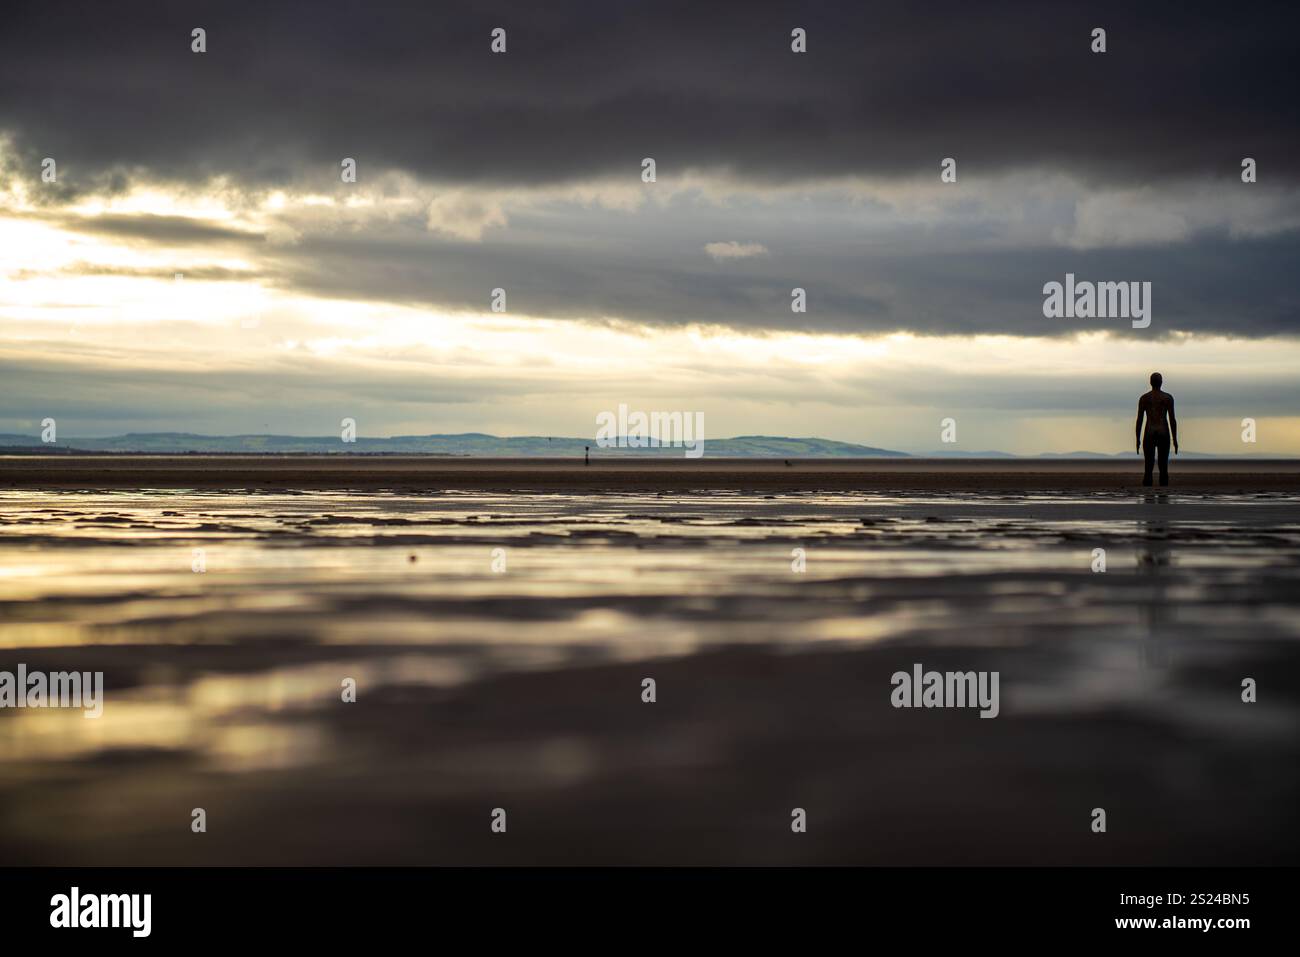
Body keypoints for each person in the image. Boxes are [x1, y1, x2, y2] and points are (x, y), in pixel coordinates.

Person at [1135, 372, 1178, 486]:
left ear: (1150, 382)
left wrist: (1137, 438)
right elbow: (1172, 420)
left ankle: (1148, 497)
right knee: (1163, 465)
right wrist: (1175, 439)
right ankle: (1163, 495)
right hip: (1163, 432)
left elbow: (1139, 420)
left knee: (1148, 466)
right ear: (1161, 382)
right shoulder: (1167, 398)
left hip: (1149, 432)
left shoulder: (1144, 398)